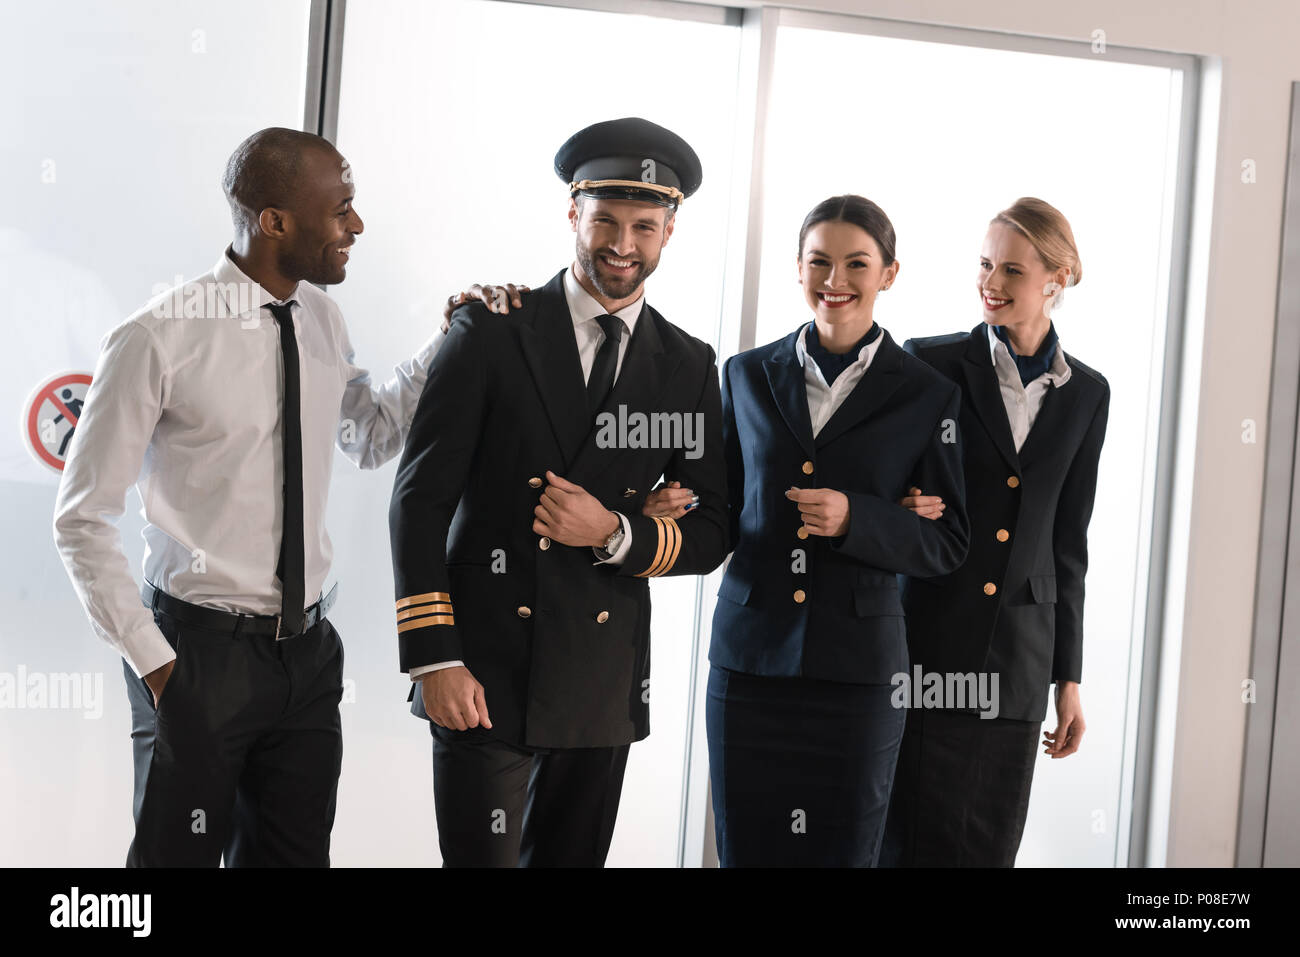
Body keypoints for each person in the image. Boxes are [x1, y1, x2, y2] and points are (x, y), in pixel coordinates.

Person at [52, 127, 447, 867]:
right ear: (274, 221)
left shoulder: (322, 318)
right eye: (342, 209)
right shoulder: (157, 336)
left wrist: (450, 338)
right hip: (197, 654)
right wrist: (160, 668)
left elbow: (368, 433)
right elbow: (81, 519)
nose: (356, 226)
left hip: (307, 658)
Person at [389, 117, 730, 867]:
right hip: (481, 669)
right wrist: (433, 656)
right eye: (604, 219)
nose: (622, 243)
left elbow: (714, 528)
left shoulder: (688, 364)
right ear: (571, 213)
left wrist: (616, 529)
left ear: (671, 231)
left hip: (599, 679)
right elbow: (418, 501)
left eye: (645, 225)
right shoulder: (489, 329)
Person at [702, 194, 970, 867]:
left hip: (858, 681)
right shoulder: (744, 375)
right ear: (797, 268)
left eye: (857, 263)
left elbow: (946, 542)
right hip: (749, 667)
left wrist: (859, 518)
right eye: (819, 261)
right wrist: (655, 513)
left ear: (890, 273)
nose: (836, 279)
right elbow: (721, 512)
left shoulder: (928, 395)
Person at [881, 197, 1110, 867]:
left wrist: (1068, 677)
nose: (991, 282)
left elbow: (1070, 544)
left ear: (1056, 280)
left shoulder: (1088, 394)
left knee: (988, 847)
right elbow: (886, 483)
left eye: (1011, 269)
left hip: (1019, 664)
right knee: (909, 843)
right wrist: (902, 500)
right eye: (985, 264)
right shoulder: (933, 363)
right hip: (927, 643)